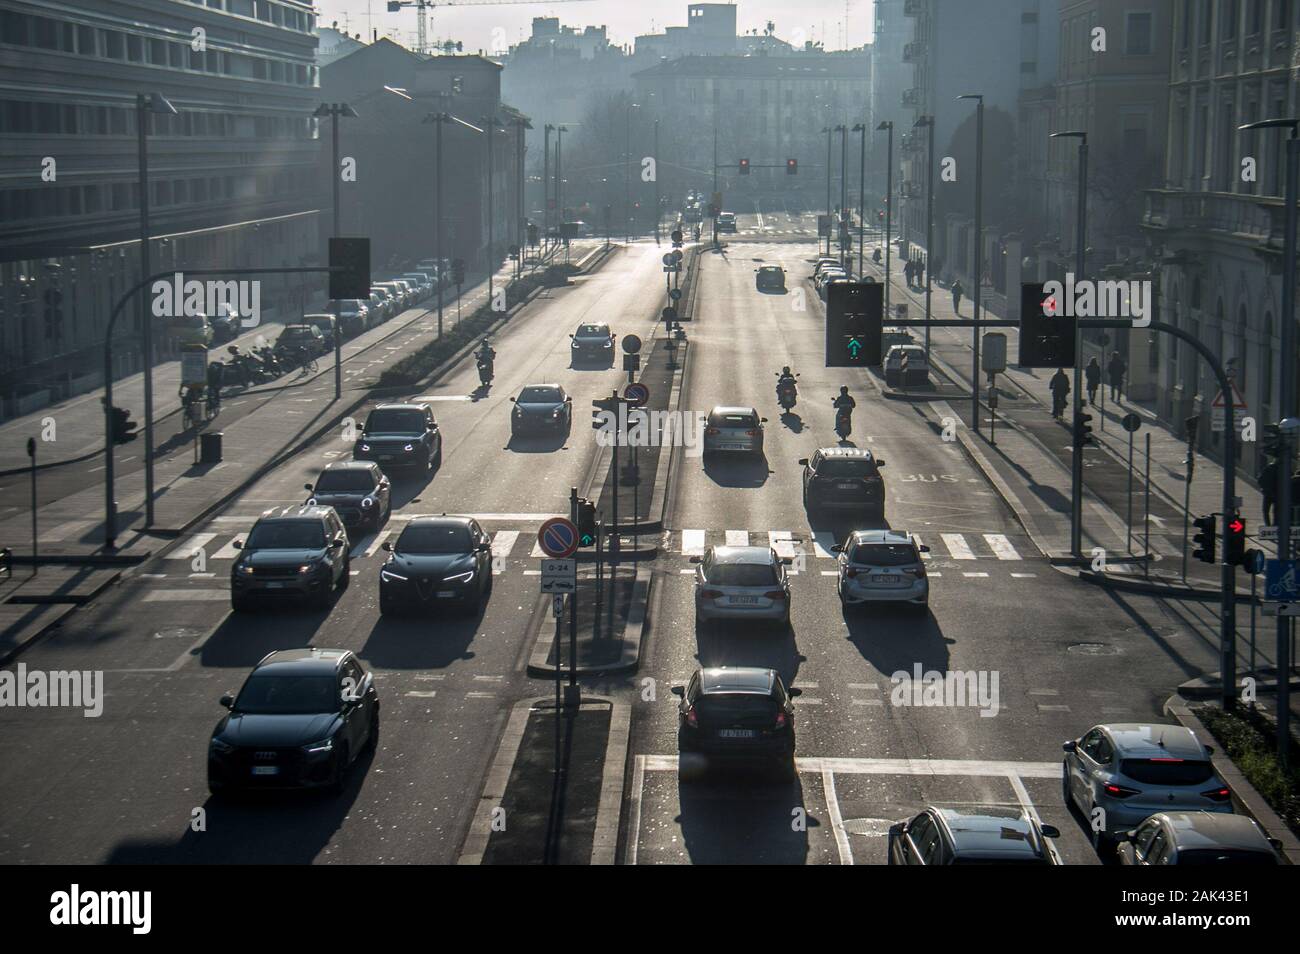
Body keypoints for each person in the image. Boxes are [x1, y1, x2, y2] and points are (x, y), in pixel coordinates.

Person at [1259, 455, 1279, 525]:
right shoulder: (1283, 470)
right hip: (1278, 494)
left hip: (1267, 493)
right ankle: (1275, 525)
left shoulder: (1268, 468)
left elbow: (1260, 480)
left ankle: (1268, 525)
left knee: (1265, 511)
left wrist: (1263, 489)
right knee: (1276, 511)